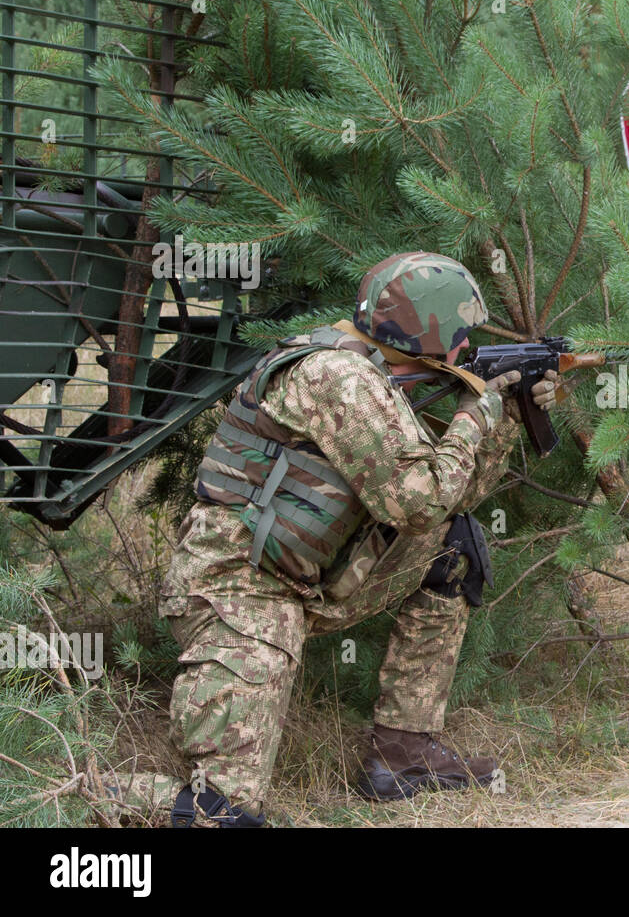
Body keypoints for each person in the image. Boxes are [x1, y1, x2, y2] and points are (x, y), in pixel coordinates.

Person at [156, 251, 556, 827]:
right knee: (221, 815)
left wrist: (506, 415)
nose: (464, 348)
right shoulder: (339, 377)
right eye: (460, 332)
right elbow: (416, 502)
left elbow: (451, 499)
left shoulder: (369, 364)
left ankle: (404, 756)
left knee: (455, 549)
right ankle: (87, 785)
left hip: (306, 579)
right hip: (239, 589)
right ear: (429, 330)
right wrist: (477, 411)